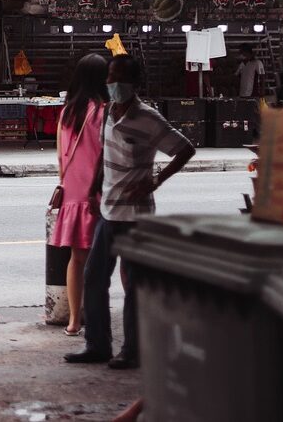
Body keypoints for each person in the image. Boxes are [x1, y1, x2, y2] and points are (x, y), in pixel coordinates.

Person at [65, 54, 195, 368]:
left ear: (135, 84)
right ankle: (97, 345)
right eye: (111, 77)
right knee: (95, 279)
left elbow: (185, 149)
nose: (114, 84)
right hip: (108, 214)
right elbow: (102, 154)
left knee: (135, 286)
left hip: (136, 218)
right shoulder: (108, 112)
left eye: (120, 79)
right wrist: (95, 187)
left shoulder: (148, 118)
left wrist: (155, 180)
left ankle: (132, 351)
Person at [49, 53, 109, 336]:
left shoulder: (67, 112)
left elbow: (61, 157)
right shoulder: (104, 111)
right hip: (99, 191)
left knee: (78, 258)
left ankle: (74, 321)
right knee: (110, 257)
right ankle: (100, 316)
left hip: (73, 191)